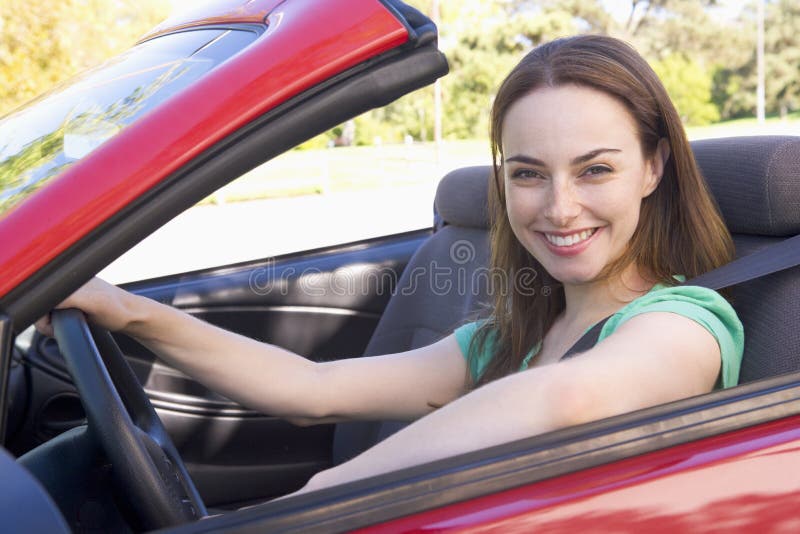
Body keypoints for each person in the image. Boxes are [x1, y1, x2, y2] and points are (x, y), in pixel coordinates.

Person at [36, 35, 743, 495]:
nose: (560, 208)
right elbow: (313, 388)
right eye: (528, 174)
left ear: (652, 168)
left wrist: (330, 496)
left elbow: (571, 401)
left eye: (595, 170)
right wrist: (127, 310)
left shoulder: (685, 326)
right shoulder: (509, 340)